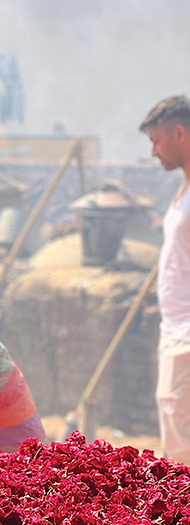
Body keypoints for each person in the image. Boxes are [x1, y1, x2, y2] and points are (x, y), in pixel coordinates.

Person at [140, 95, 190, 464]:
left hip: (187, 331)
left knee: (180, 433)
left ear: (179, 133)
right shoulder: (182, 190)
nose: (154, 152)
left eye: (157, 141)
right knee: (175, 423)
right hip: (174, 326)